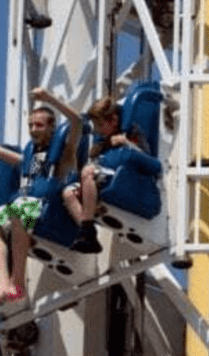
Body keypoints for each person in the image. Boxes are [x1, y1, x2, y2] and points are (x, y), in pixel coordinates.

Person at [0, 87, 83, 306]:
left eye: (39, 125)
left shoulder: (65, 152)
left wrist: (49, 99)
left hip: (49, 206)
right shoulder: (31, 156)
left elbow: (76, 122)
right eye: (31, 125)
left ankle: (18, 284)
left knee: (18, 212)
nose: (34, 130)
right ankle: (3, 283)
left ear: (52, 128)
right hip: (25, 204)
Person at [62, 96, 146, 253]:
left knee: (88, 172)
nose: (98, 130)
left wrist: (125, 143)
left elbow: (144, 156)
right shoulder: (102, 142)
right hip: (101, 176)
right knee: (68, 193)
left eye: (100, 125)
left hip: (125, 176)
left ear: (114, 120)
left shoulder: (131, 131)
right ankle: (89, 234)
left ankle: (86, 229)